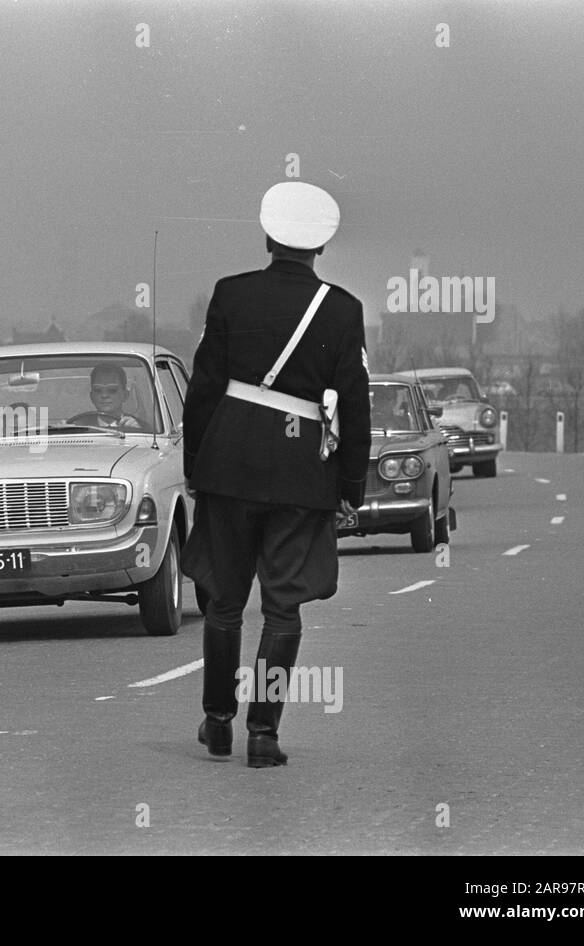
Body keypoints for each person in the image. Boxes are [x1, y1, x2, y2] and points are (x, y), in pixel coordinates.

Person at [183, 181, 370, 768]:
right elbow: (355, 405)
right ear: (321, 247)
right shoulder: (342, 310)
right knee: (283, 609)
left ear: (268, 236)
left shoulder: (230, 296)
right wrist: (350, 489)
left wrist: (197, 467)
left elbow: (205, 388)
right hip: (300, 473)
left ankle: (217, 723)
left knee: (223, 602)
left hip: (230, 464)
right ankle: (263, 735)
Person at [71, 364, 143, 429]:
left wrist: (139, 431)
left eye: (112, 390)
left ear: (125, 395)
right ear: (91, 397)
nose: (104, 395)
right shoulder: (79, 427)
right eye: (98, 390)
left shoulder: (141, 427)